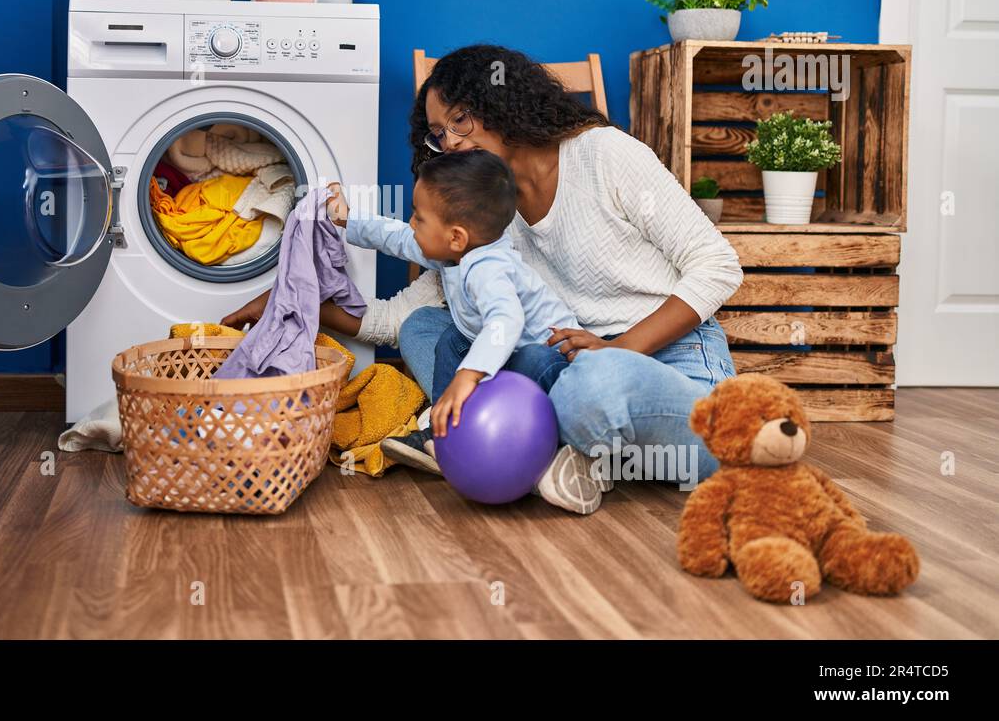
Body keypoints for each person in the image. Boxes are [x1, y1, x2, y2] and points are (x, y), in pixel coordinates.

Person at [224, 44, 743, 514]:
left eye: (461, 120)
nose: (449, 141)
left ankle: (541, 450)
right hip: (563, 361)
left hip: (664, 359)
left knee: (595, 385)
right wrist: (295, 300)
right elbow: (392, 320)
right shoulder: (479, 214)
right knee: (425, 329)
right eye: (439, 132)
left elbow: (718, 265)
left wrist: (619, 349)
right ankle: (548, 452)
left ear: (505, 105)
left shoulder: (605, 155)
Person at [328, 149, 579, 451]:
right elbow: (398, 237)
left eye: (419, 218)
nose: (411, 223)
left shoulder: (489, 267)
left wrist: (468, 375)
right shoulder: (457, 251)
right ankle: (442, 427)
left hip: (553, 360)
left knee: (532, 359)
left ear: (456, 237)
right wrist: (347, 220)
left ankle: (556, 443)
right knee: (450, 340)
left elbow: (506, 321)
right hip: (505, 357)